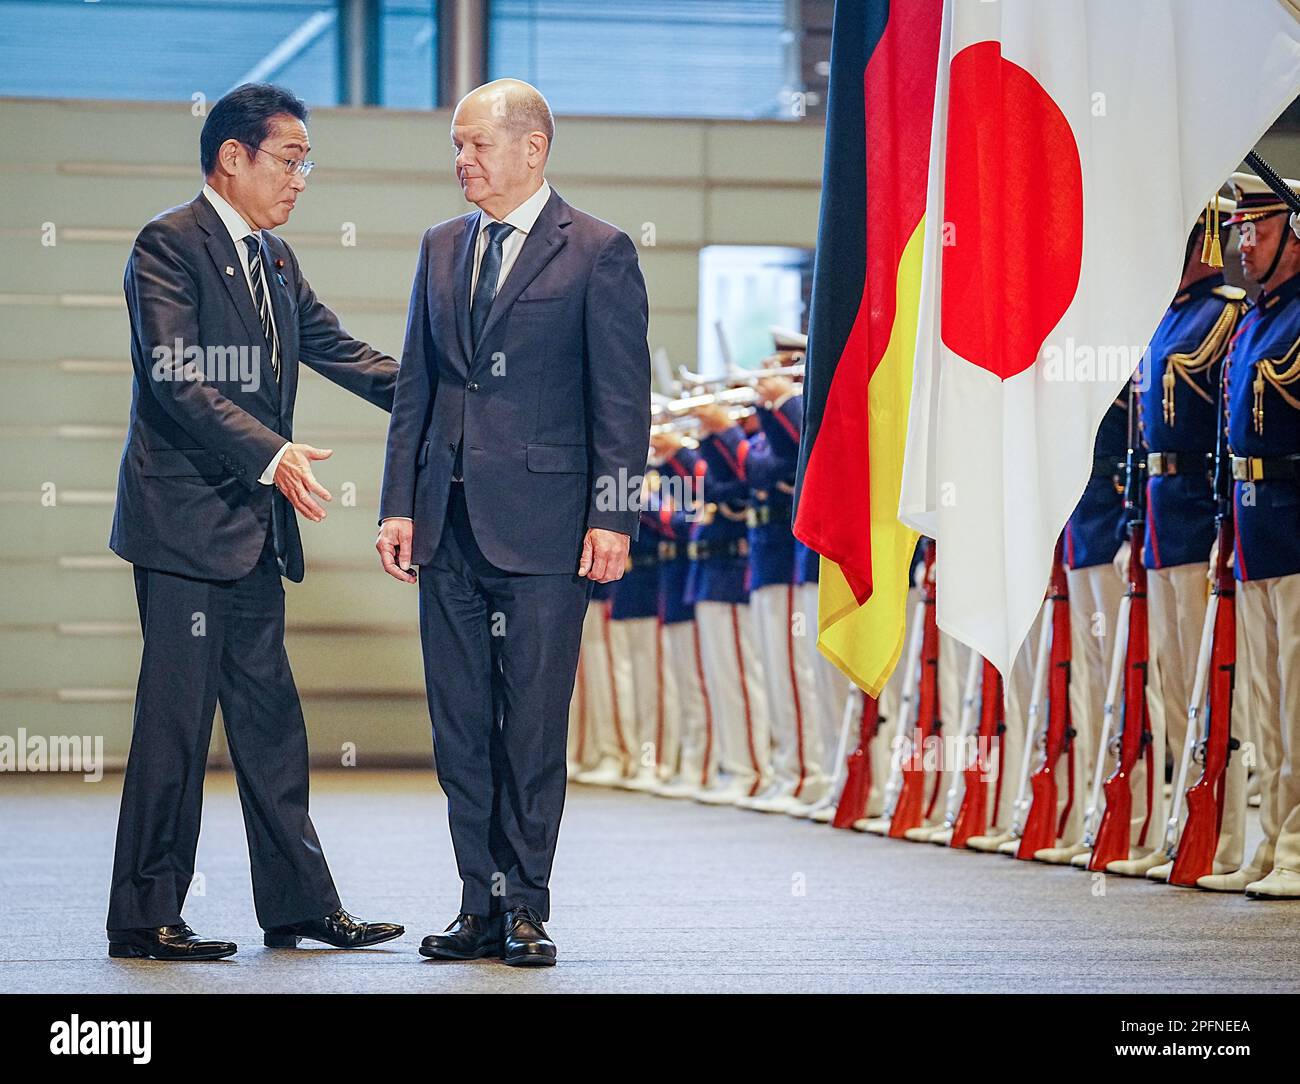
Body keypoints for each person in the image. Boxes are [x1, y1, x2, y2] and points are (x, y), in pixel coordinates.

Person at [106, 83, 403, 960]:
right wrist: (271, 454)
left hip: (253, 533)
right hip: (183, 529)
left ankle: (301, 905)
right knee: (176, 724)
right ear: (231, 157)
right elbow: (175, 374)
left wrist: (455, 391)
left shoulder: (274, 261)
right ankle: (143, 915)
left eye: (307, 161)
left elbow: (344, 352)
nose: (301, 177)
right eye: (290, 158)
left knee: (273, 725)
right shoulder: (168, 243)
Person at [376, 79, 651, 964]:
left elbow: (621, 399)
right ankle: (478, 905)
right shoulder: (441, 247)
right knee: (459, 728)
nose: (461, 161)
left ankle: (527, 906)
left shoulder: (599, 253)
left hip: (546, 530)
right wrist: (397, 504)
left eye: (476, 145)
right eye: (456, 146)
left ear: (533, 149)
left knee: (530, 727)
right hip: (448, 526)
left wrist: (613, 515)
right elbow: (418, 386)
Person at [1210, 172, 1300, 898]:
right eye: (1242, 229)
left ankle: (1299, 844)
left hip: (1296, 524)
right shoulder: (1251, 320)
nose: (1244, 241)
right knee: (1263, 699)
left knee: (1298, 696)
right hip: (1251, 524)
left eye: (1260, 230)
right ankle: (1270, 839)